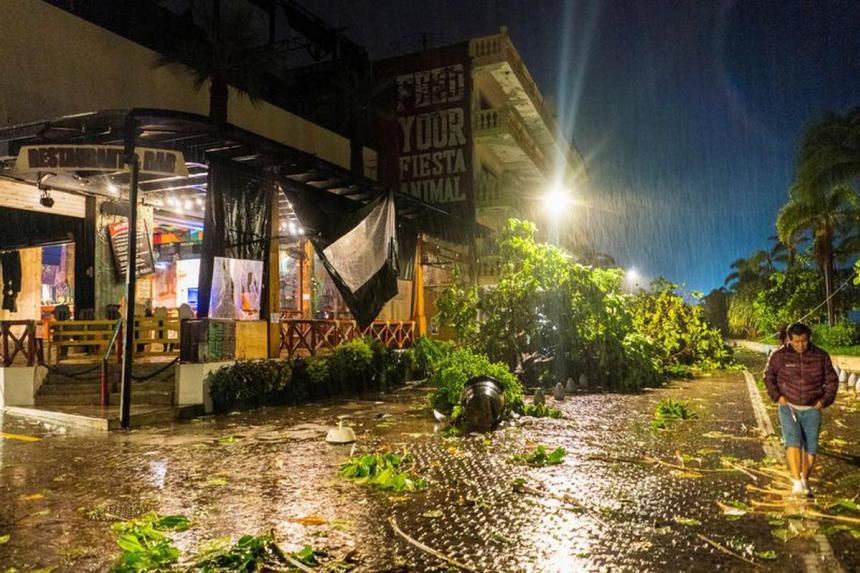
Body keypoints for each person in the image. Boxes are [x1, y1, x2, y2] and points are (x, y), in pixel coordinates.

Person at [763, 322, 838, 497]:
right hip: (789, 407)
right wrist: (777, 396)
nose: (801, 345)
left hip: (812, 408)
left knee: (811, 447)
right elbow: (768, 376)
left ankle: (805, 480)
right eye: (796, 341)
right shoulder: (779, 356)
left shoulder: (821, 356)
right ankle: (796, 482)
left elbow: (832, 381)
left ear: (809, 338)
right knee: (793, 443)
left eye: (804, 341)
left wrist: (824, 401)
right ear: (789, 340)